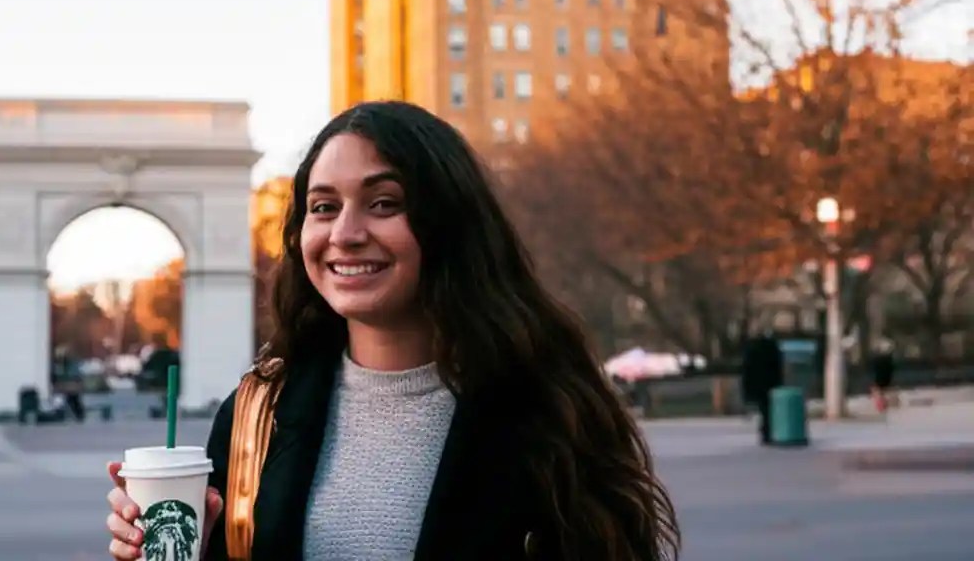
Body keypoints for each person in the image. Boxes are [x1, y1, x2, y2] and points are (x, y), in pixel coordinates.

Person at [106, 101, 679, 560]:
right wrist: (189, 548)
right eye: (324, 207)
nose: (346, 234)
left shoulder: (550, 406)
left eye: (384, 203)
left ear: (450, 223)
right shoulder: (256, 414)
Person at [741, 331, 783, 445]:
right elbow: (777, 368)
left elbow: (747, 370)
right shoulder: (771, 350)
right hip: (770, 384)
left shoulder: (752, 350)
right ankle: (768, 432)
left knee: (764, 410)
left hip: (759, 384)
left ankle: (766, 433)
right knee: (768, 410)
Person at [870, 338, 896, 413]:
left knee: (879, 392)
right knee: (881, 392)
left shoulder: (878, 359)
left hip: (880, 377)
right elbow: (892, 368)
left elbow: (874, 367)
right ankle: (882, 404)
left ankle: (881, 405)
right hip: (886, 377)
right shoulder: (888, 358)